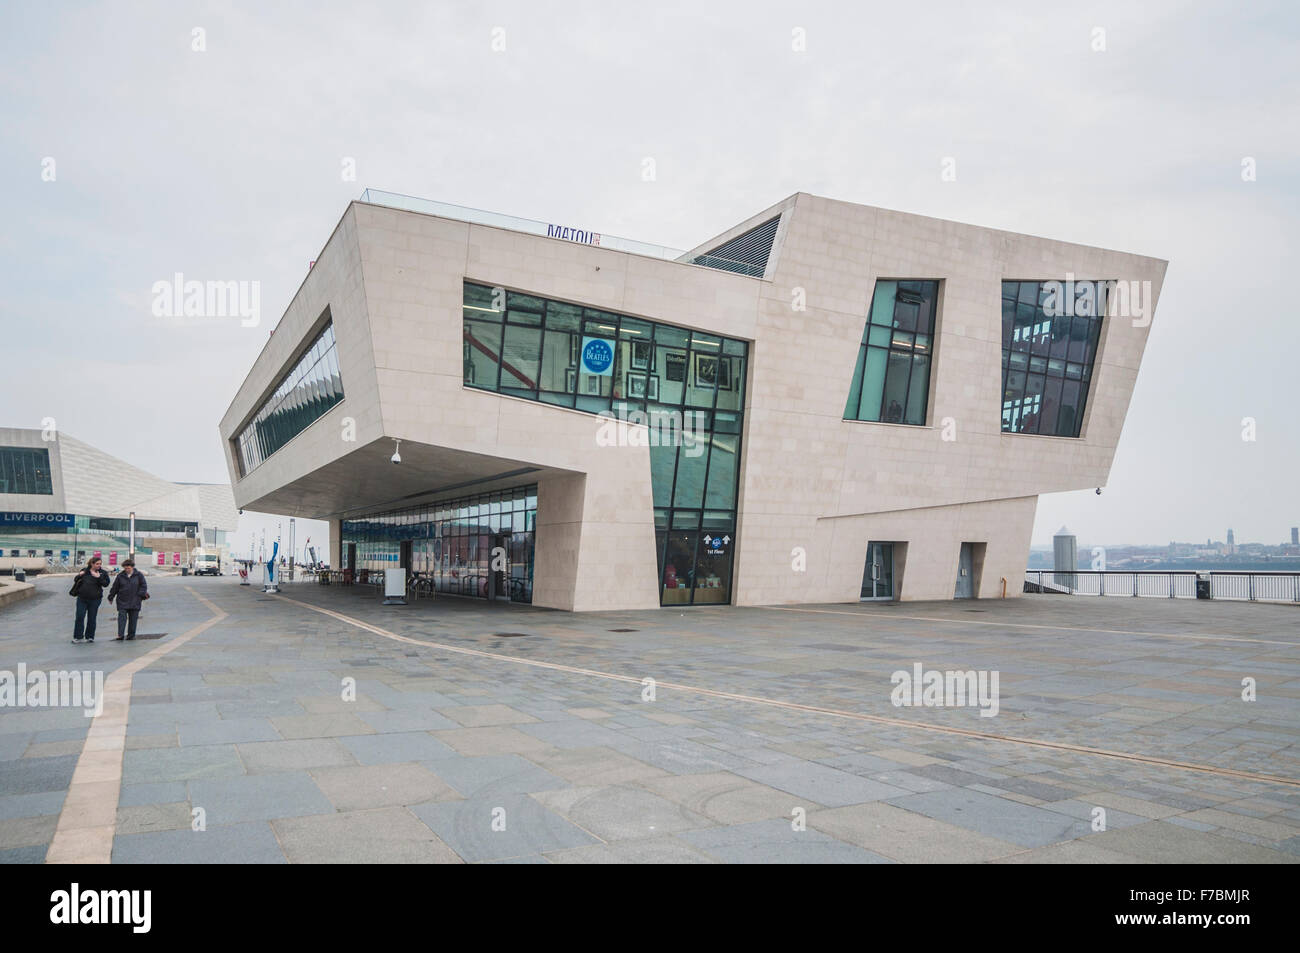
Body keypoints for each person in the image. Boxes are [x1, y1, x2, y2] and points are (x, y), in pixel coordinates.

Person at [107, 558, 149, 640]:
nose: (127, 570)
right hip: (122, 600)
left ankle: (131, 635)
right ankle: (120, 635)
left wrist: (140, 594)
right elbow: (115, 587)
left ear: (132, 567)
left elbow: (144, 586)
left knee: (133, 620)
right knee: (121, 618)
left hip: (135, 600)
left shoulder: (139, 575)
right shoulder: (120, 576)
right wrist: (111, 596)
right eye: (125, 568)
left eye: (128, 568)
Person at [70, 556, 110, 644]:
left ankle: (90, 636)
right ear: (92, 564)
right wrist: (79, 575)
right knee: (80, 616)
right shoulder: (85, 571)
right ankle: (78, 636)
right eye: (97, 564)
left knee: (92, 618)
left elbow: (106, 584)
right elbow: (76, 580)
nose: (99, 565)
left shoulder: (103, 573)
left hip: (95, 599)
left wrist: (99, 577)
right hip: (82, 598)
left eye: (100, 564)